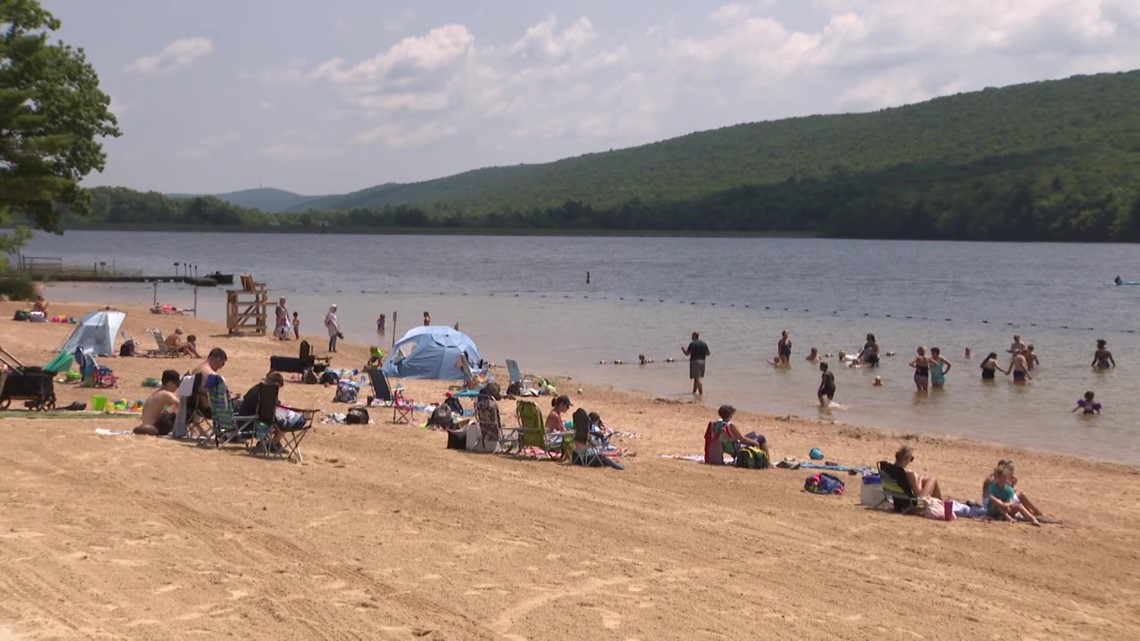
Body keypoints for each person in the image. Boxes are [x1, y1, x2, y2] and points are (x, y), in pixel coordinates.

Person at [133, 369, 181, 435]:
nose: (177, 387)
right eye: (177, 384)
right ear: (170, 383)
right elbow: (180, 404)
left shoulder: (157, 393)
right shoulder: (165, 394)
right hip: (153, 428)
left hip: (146, 425)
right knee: (181, 412)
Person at [190, 348, 228, 418]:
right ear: (218, 359)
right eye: (222, 364)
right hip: (209, 409)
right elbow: (213, 396)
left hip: (196, 407)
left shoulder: (196, 370)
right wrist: (229, 397)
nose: (220, 368)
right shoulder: (211, 375)